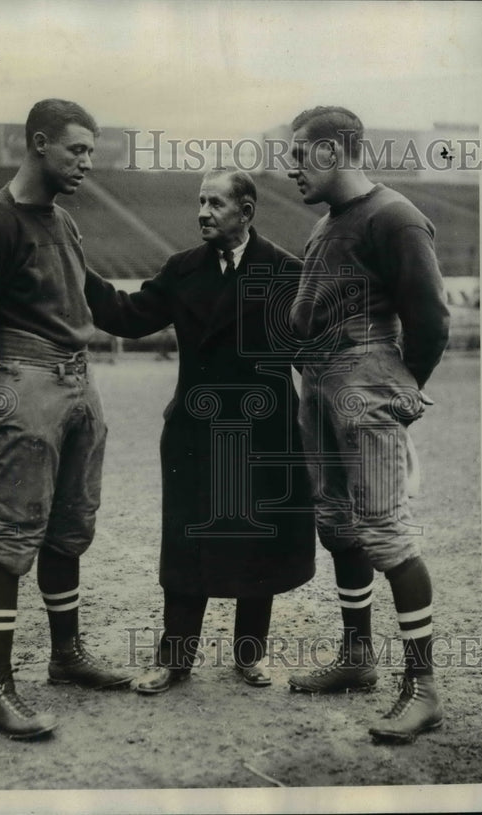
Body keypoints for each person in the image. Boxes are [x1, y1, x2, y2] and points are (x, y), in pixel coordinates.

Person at [0, 99, 131, 741]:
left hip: (80, 381)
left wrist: (187, 298)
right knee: (15, 537)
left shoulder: (64, 221)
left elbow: (97, 298)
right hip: (24, 383)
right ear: (39, 143)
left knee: (71, 528)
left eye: (91, 152)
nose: (87, 162)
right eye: (77, 150)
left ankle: (66, 655)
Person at [85, 168, 316, 693]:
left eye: (215, 203)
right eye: (199, 202)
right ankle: (175, 661)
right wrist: (80, 271)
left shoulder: (285, 271)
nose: (202, 212)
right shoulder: (181, 268)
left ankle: (249, 656)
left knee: (258, 543)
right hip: (196, 432)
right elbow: (127, 316)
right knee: (187, 546)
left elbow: (311, 355)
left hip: (264, 434)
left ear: (247, 212)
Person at [285, 106, 450, 743]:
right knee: (336, 522)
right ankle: (357, 658)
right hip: (320, 383)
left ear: (332, 151)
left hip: (365, 378)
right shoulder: (329, 221)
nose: (292, 165)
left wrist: (399, 389)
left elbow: (431, 320)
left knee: (387, 533)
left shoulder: (396, 215)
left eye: (301, 152)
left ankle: (425, 689)